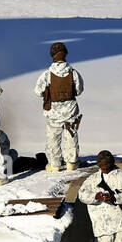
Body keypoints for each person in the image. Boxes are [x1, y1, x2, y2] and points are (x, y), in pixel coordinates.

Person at [34, 41, 84, 172]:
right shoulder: (73, 73)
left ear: (52, 56)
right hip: (70, 110)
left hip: (53, 112)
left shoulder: (47, 74)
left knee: (53, 138)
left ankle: (55, 165)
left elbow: (37, 91)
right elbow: (79, 90)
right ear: (65, 54)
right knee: (71, 136)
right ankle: (71, 163)